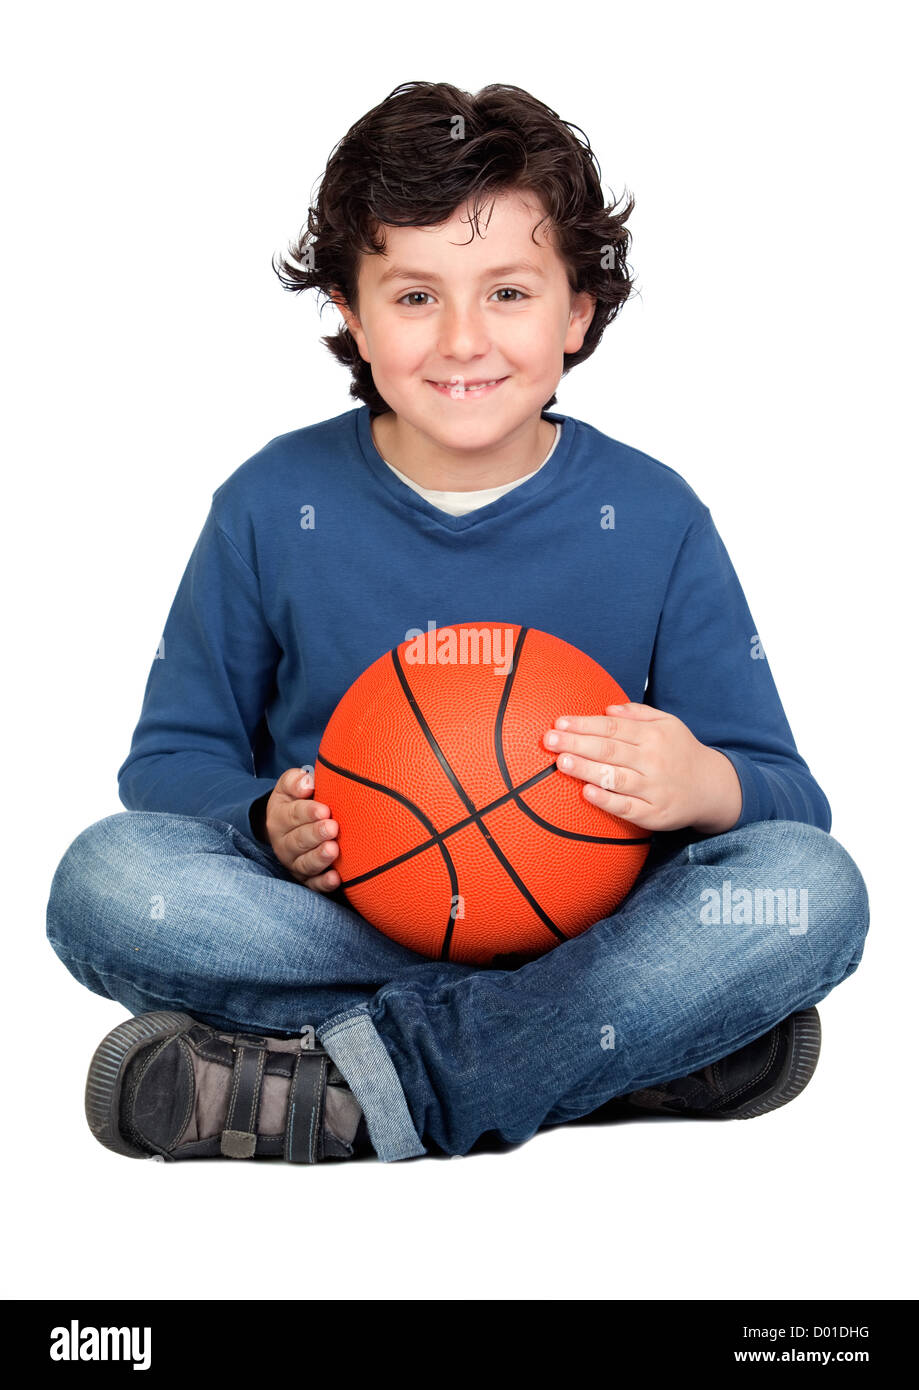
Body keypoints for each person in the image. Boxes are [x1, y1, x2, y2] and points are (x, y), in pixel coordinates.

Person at [46, 80, 869, 1165]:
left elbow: (787, 800)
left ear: (577, 310)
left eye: (510, 292)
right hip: (352, 921)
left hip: (593, 917)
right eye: (416, 295)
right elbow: (171, 761)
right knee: (106, 882)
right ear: (348, 308)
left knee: (807, 894)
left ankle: (364, 1091)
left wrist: (701, 781)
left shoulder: (656, 514)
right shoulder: (268, 502)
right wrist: (263, 822)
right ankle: (616, 1049)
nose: (464, 339)